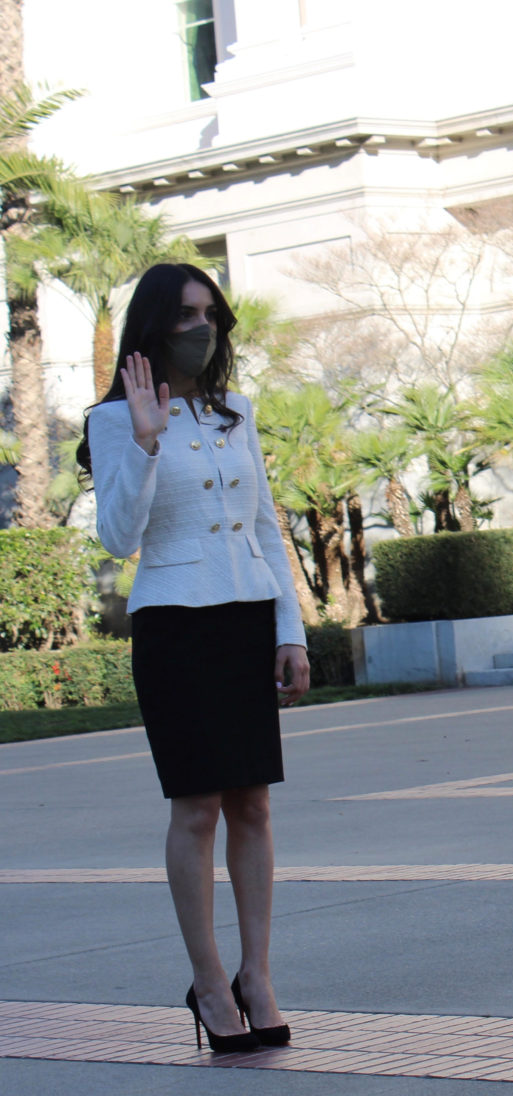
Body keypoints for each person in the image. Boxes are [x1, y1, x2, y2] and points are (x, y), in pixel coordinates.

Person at [80, 263, 310, 1053]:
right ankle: (210, 984)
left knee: (253, 804)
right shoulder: (113, 421)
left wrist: (291, 631)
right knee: (198, 807)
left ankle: (259, 975)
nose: (200, 328)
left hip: (246, 617)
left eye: (209, 313)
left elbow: (264, 527)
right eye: (184, 315)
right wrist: (145, 442)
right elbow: (119, 539)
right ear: (151, 327)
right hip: (175, 625)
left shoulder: (234, 410)